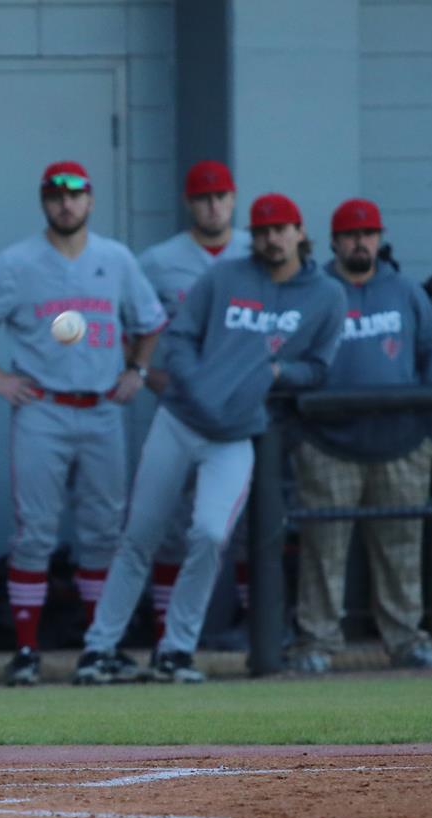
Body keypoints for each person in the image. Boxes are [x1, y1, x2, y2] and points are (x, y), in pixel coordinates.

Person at [77, 193, 345, 684]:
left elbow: (320, 369)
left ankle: (176, 651)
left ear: (300, 232)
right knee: (140, 535)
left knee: (210, 535)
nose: (271, 238)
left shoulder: (325, 295)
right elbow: (178, 339)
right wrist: (197, 386)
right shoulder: (226, 276)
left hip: (236, 434)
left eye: (281, 229)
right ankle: (99, 649)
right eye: (262, 230)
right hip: (179, 420)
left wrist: (279, 370)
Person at [0, 161, 168, 686]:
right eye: (55, 194)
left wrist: (136, 369)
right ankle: (26, 651)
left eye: (75, 194)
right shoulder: (17, 263)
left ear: (90, 200)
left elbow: (150, 321)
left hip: (103, 409)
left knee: (103, 532)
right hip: (42, 409)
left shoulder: (115, 259)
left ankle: (100, 649)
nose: (66, 203)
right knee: (35, 532)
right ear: (44, 201)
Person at [289, 198, 432, 672]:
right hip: (329, 444)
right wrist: (302, 437)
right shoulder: (316, 292)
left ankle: (407, 642)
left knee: (400, 548)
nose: (362, 242)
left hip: (399, 445)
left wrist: (426, 435)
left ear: (379, 238)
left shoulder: (405, 292)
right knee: (323, 550)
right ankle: (316, 645)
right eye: (352, 234)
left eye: (369, 233)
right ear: (334, 240)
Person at [136, 161, 254, 644]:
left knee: (245, 527)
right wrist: (146, 374)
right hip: (180, 412)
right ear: (190, 203)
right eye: (203, 197)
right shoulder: (159, 260)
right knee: (169, 527)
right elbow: (135, 324)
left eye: (220, 196)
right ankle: (169, 634)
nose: (212, 205)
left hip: (242, 413)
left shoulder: (255, 250)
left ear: (232, 199)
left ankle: (254, 626)